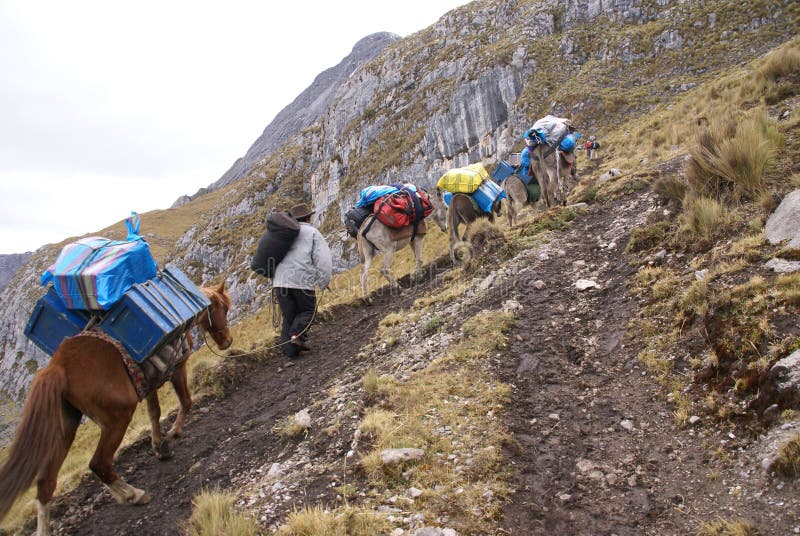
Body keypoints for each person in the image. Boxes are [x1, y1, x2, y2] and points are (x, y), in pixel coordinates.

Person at [272, 203, 332, 358]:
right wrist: (324, 281)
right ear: (309, 217)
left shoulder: (282, 234)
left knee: (289, 316)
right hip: (301, 280)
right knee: (308, 311)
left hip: (279, 282)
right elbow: (323, 259)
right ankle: (295, 336)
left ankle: (290, 353)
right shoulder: (312, 232)